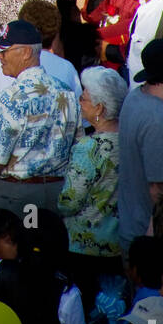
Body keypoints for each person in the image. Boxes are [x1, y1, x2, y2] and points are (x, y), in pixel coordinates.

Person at [0, 19, 81, 214]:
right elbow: (78, 145)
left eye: (4, 51)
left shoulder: (10, 98)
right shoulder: (66, 92)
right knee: (49, 244)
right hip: (58, 194)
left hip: (19, 197)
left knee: (23, 243)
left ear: (26, 52)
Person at [56, 66, 127, 310]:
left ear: (99, 108)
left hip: (83, 248)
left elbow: (69, 202)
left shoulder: (88, 148)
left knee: (85, 311)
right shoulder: (129, 141)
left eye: (84, 98)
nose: (80, 101)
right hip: (118, 243)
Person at [117, 37, 163, 251]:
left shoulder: (134, 97)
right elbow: (158, 190)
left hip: (131, 227)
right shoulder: (157, 119)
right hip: (149, 239)